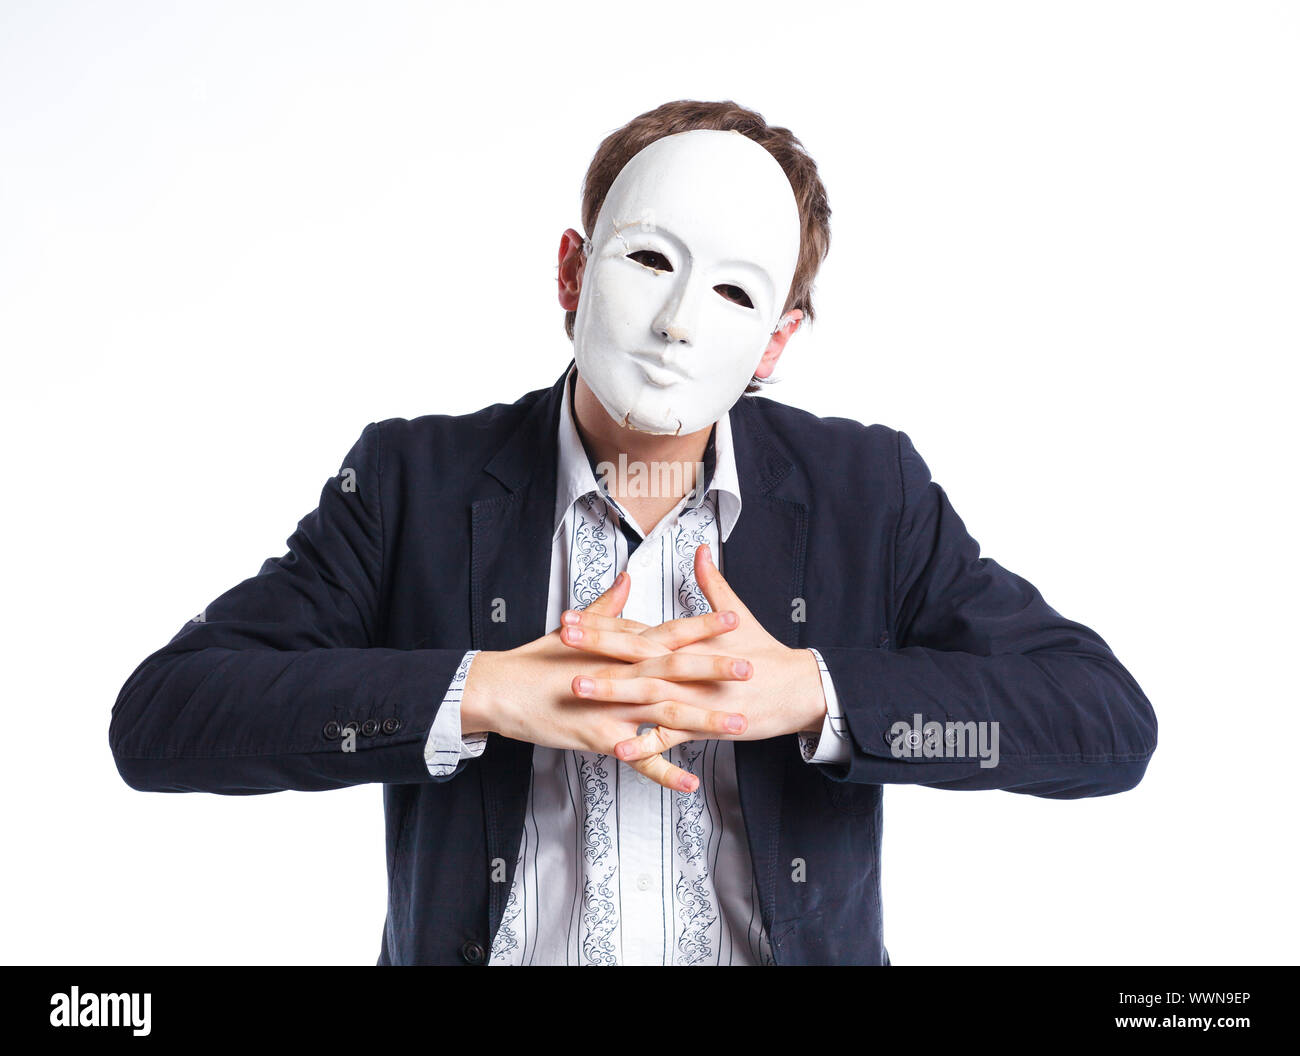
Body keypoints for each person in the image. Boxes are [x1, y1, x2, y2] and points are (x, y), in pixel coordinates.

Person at [109, 99, 1157, 966]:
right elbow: (165, 721)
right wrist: (483, 690)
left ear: (777, 341)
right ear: (571, 271)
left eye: (737, 292)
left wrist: (817, 694)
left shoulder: (865, 490)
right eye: (649, 262)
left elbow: (1103, 728)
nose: (678, 324)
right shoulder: (409, 480)